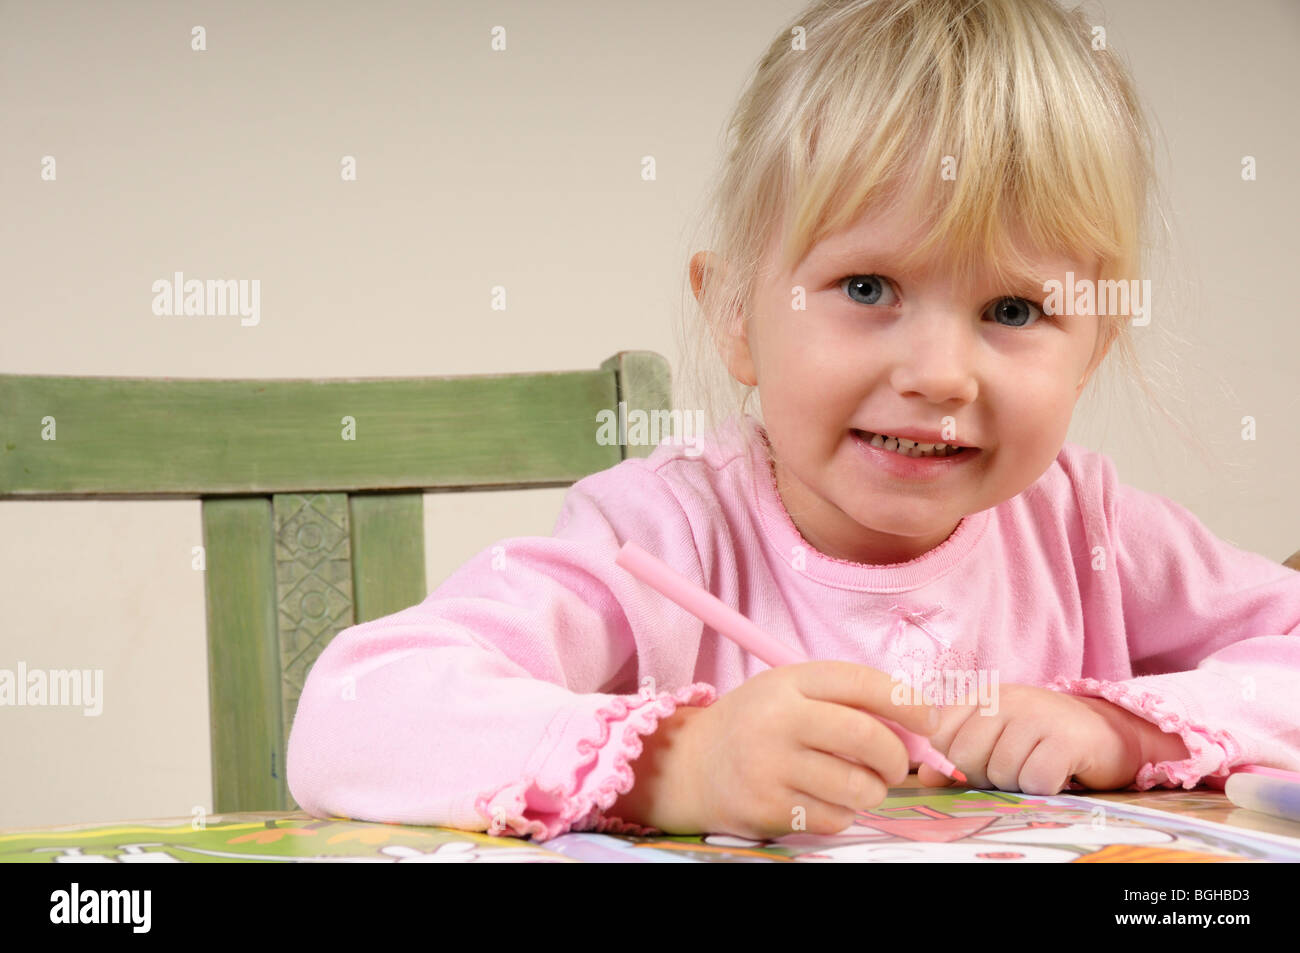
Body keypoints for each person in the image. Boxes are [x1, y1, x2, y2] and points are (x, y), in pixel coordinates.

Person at [286, 0, 1300, 842]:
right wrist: (680, 766)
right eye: (867, 285)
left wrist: (1122, 728)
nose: (939, 373)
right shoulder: (660, 534)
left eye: (1014, 310)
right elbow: (352, 711)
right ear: (735, 314)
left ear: (1095, 348)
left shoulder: (1088, 528)